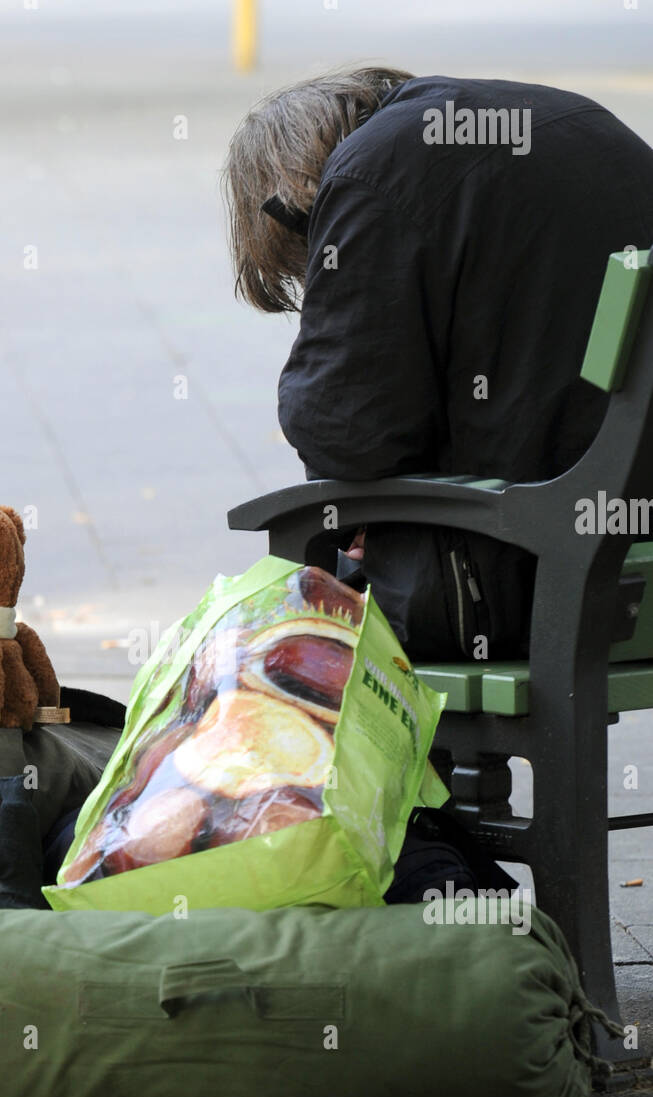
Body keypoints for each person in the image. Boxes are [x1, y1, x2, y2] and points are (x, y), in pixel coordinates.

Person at [222, 68, 653, 659]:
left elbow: (343, 432)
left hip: (539, 586)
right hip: (630, 563)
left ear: (291, 195)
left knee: (268, 628)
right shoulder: (572, 120)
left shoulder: (372, 174)